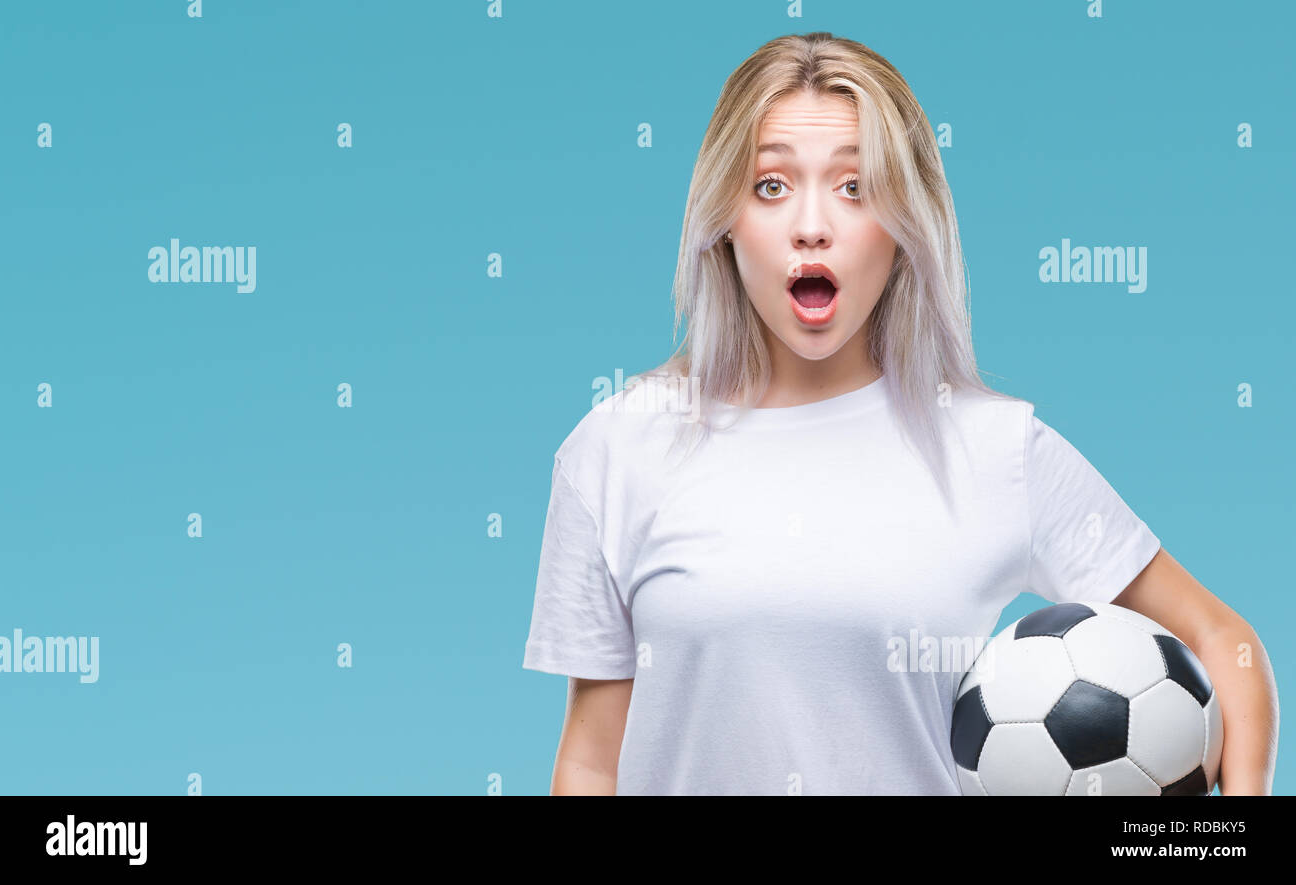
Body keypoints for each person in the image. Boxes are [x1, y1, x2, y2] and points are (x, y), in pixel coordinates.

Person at [521, 32, 1277, 796]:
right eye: (772, 185)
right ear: (722, 217)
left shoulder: (996, 449)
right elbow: (590, 760)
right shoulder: (615, 448)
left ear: (906, 222)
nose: (812, 225)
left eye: (856, 187)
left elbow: (1221, 639)